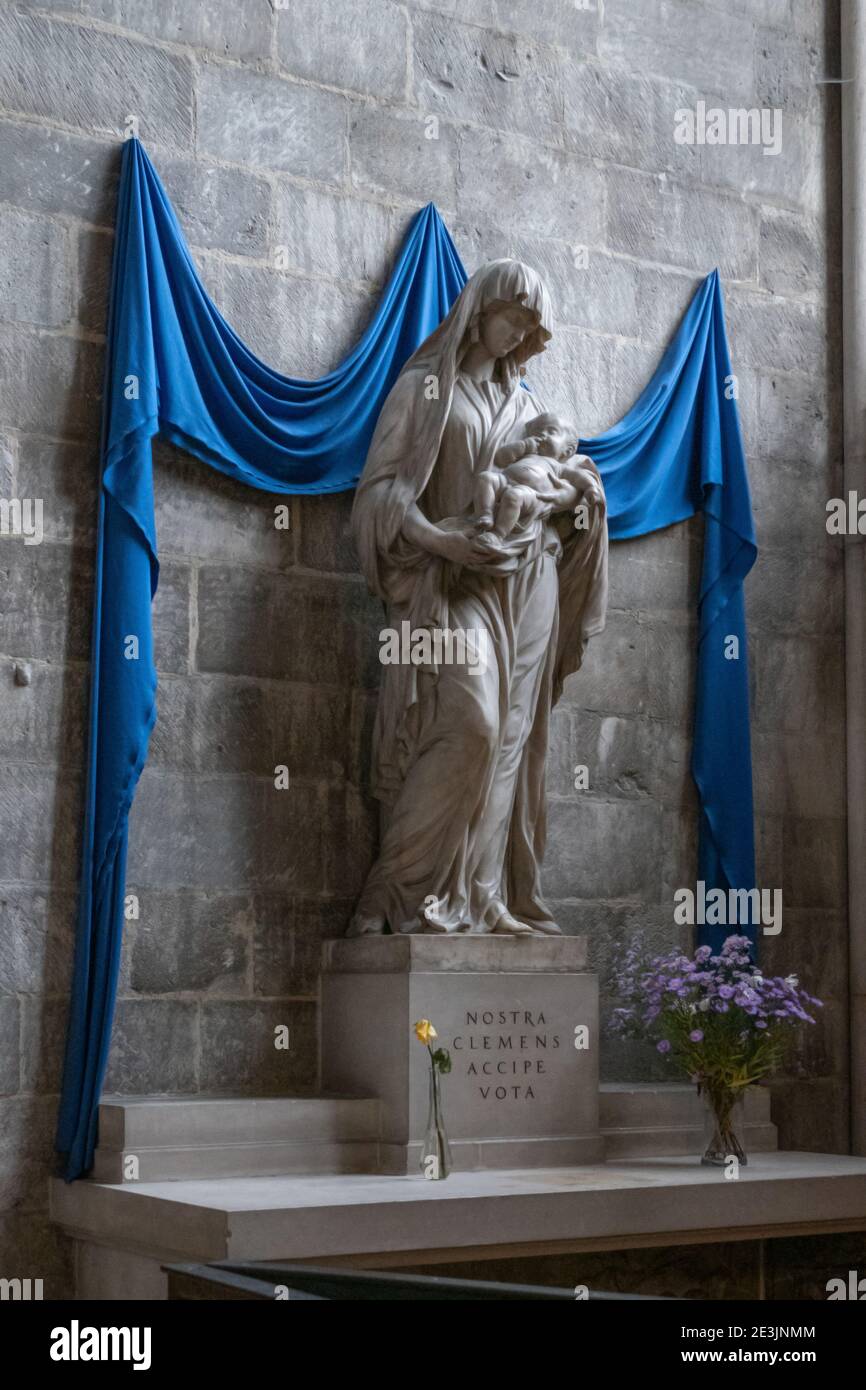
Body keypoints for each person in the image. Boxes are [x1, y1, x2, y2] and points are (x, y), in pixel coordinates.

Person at [349, 260, 608, 936]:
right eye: (509, 317)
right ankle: (400, 891)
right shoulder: (426, 390)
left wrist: (572, 493)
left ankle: (486, 896)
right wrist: (439, 541)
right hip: (455, 580)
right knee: (472, 724)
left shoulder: (529, 410)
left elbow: (575, 493)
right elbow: (378, 498)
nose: (515, 333)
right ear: (478, 310)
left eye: (528, 327)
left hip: (532, 583)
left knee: (512, 742)